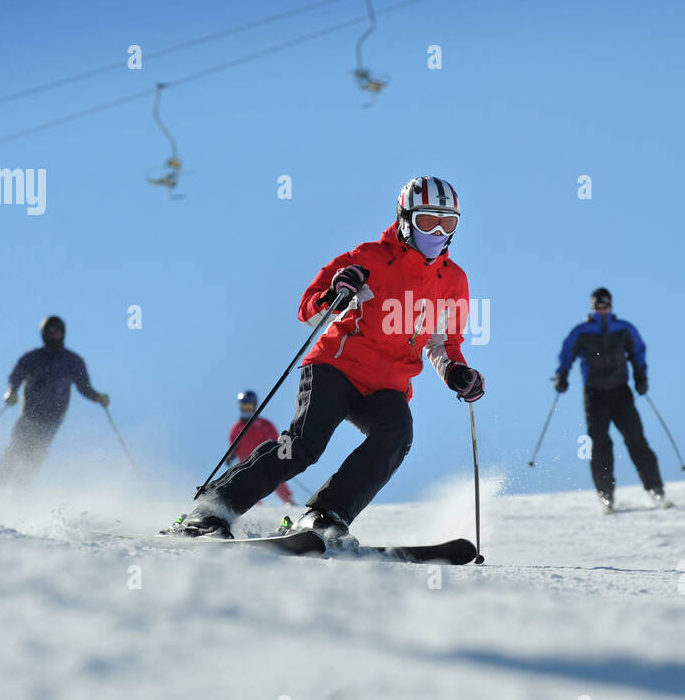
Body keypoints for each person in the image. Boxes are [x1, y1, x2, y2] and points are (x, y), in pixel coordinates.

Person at [178, 176, 485, 544]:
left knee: (397, 434)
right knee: (305, 444)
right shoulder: (368, 258)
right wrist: (338, 291)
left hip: (387, 384)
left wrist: (457, 373)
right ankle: (213, 508)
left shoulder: (453, 281)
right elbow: (307, 311)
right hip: (336, 367)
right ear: (405, 219)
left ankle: (326, 516)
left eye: (447, 223)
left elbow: (444, 343)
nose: (437, 231)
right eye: (427, 221)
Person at [554, 288, 670, 511]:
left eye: (605, 304)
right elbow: (567, 352)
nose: (602, 308)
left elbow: (638, 351)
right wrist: (562, 375)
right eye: (598, 304)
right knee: (600, 444)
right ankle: (605, 493)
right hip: (595, 394)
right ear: (592, 306)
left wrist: (640, 375)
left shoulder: (623, 328)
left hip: (620, 391)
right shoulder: (582, 331)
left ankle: (655, 489)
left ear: (611, 304)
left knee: (636, 439)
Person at [0, 315, 109, 487]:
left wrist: (97, 397)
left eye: (58, 331)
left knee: (35, 455)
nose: (54, 334)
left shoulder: (72, 361)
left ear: (63, 333)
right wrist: (11, 392)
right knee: (16, 449)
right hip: (30, 416)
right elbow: (16, 377)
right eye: (50, 331)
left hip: (52, 419)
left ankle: (18, 495)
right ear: (43, 333)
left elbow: (84, 386)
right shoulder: (33, 357)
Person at [230, 390, 296, 506]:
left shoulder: (264, 425)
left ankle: (288, 501)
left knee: (274, 476)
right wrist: (232, 455)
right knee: (250, 482)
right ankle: (255, 505)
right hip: (247, 462)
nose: (247, 410)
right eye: (244, 407)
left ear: (255, 407)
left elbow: (276, 439)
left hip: (265, 458)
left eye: (249, 407)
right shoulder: (237, 428)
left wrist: (281, 452)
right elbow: (233, 444)